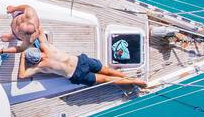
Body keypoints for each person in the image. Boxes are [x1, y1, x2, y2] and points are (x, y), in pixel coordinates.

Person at [16, 34, 148, 88]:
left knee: (107, 79)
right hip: (81, 62)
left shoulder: (40, 67)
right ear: (38, 51)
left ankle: (132, 82)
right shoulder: (47, 47)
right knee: (108, 70)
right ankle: (130, 78)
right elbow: (38, 30)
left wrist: (22, 57)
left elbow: (22, 75)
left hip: (77, 74)